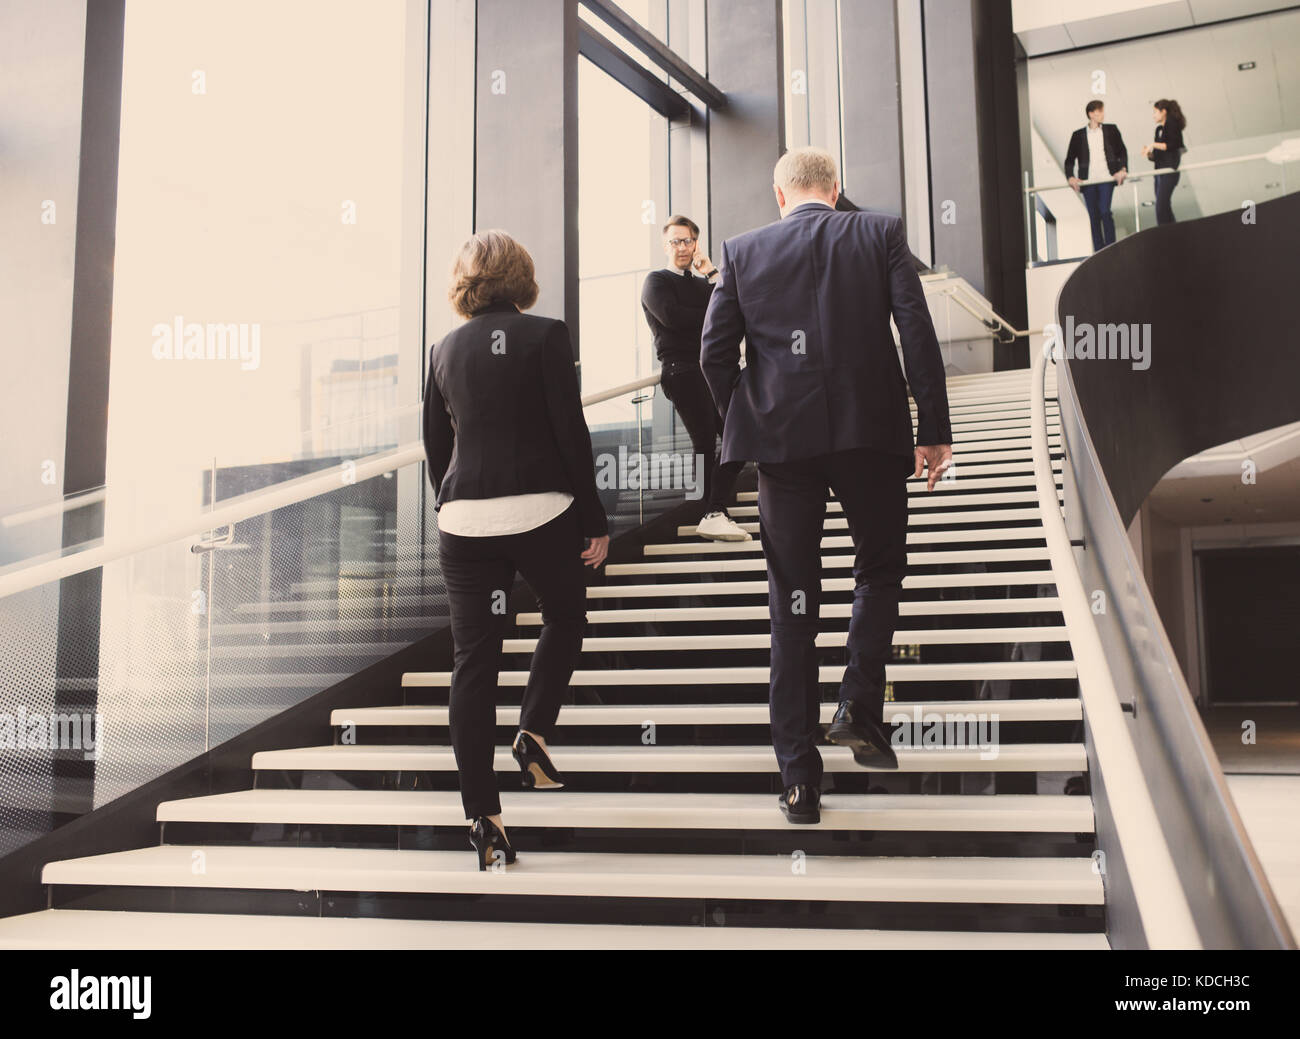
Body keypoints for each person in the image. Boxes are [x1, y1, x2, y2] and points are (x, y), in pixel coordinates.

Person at [700, 147, 953, 825]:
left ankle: (799, 783)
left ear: (779, 194)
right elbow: (917, 334)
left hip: (783, 448)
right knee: (878, 567)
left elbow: (712, 354)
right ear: (835, 190)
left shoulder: (742, 251)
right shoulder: (879, 232)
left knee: (792, 601)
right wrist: (933, 427)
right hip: (870, 433)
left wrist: (749, 415)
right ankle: (858, 703)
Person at [422, 229, 610, 870]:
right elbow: (570, 432)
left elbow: (435, 447)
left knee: (473, 662)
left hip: (464, 518)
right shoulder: (547, 335)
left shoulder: (443, 349)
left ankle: (484, 817)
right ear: (521, 277)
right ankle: (532, 733)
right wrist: (594, 517)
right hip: (542, 509)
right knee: (565, 616)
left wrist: (452, 502)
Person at [640, 217, 751, 542]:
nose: (682, 248)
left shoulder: (703, 284)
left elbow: (734, 307)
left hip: (710, 370)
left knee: (738, 433)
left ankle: (712, 509)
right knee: (704, 439)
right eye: (675, 241)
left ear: (696, 244)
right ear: (665, 245)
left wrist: (711, 271)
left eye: (688, 241)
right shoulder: (656, 281)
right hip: (680, 370)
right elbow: (673, 318)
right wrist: (714, 313)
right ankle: (709, 510)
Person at [1064, 100, 1129, 251]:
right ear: (1091, 114)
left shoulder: (1111, 130)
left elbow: (1122, 152)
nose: (1103, 114)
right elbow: (1069, 160)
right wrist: (1070, 177)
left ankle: (1111, 248)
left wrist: (1123, 169)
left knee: (1105, 211)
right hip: (1088, 181)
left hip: (1107, 177)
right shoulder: (1078, 135)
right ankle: (1099, 251)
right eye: (1100, 111)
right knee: (1094, 216)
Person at [1142, 99, 1186, 225]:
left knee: (1161, 205)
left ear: (1163, 112)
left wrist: (1153, 145)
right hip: (1160, 171)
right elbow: (1156, 156)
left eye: (1155, 112)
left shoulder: (1172, 124)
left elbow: (1173, 144)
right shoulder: (1159, 130)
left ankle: (1165, 232)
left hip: (1169, 170)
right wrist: (1149, 153)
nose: (1153, 115)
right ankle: (1171, 231)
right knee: (1163, 205)